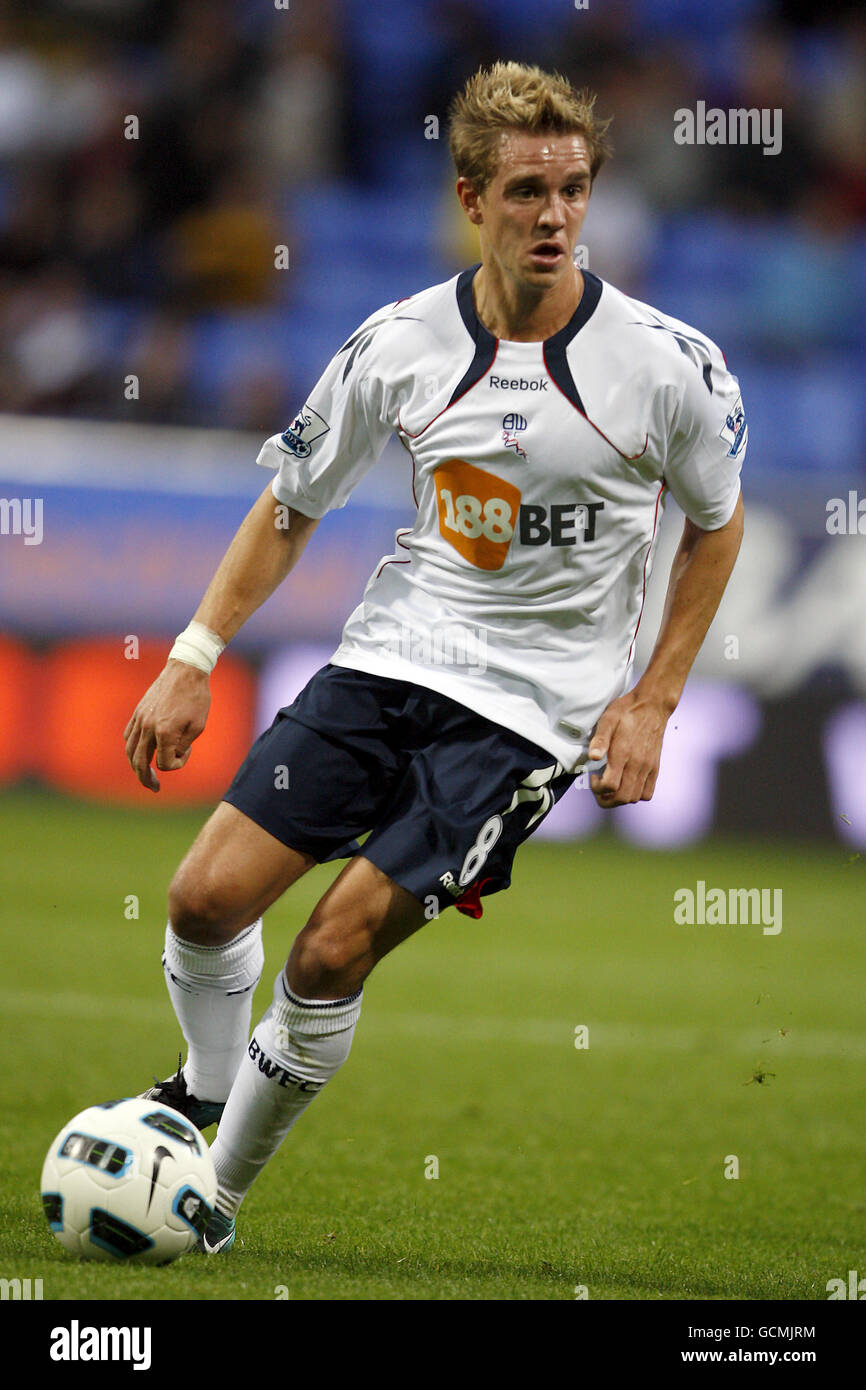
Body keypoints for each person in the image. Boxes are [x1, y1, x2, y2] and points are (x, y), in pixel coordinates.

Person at [124, 61, 747, 1253]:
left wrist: (653, 699)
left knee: (329, 945)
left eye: (572, 190)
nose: (554, 216)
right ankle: (202, 1091)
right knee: (202, 900)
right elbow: (289, 504)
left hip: (526, 712)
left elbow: (715, 523)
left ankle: (213, 1199)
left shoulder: (665, 364)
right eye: (526, 191)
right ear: (472, 199)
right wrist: (193, 654)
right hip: (391, 659)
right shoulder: (398, 343)